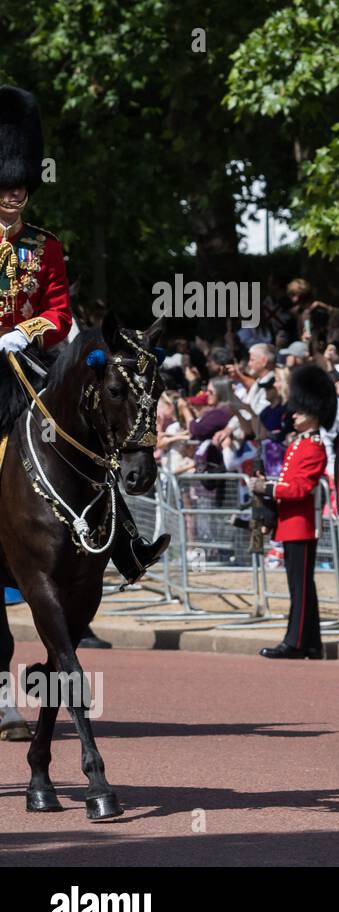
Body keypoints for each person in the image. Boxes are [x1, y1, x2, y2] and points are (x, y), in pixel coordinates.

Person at [0, 85, 168, 586]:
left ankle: (128, 545)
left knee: (91, 440)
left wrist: (23, 334)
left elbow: (57, 311)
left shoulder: (44, 245)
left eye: (20, 186)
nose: (14, 193)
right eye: (7, 185)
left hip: (29, 360)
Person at [250, 365, 334, 660]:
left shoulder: (313, 446)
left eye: (299, 411)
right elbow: (288, 482)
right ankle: (311, 643)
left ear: (313, 412)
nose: (294, 414)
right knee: (302, 588)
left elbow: (299, 489)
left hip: (300, 524)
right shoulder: (299, 444)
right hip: (290, 524)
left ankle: (295, 642)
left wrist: (266, 488)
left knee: (299, 588)